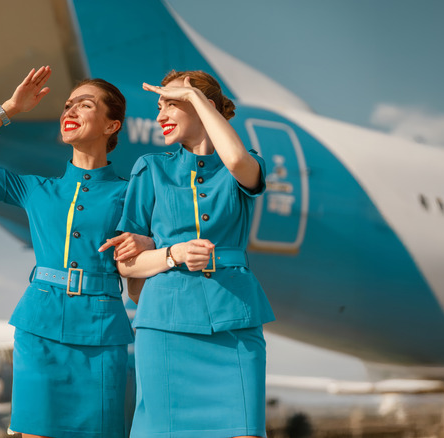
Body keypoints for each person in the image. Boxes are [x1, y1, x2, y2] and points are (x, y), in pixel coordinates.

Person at [0, 66, 152, 438]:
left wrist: (149, 246)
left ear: (112, 126)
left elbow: (139, 271)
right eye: (67, 105)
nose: (69, 111)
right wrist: (9, 108)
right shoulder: (36, 189)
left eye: (84, 105)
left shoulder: (132, 193)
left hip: (102, 333)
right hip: (38, 328)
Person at [101, 70, 275, 438]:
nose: (160, 116)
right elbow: (126, 262)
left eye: (171, 104)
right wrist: (173, 253)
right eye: (158, 106)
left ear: (204, 107)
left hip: (235, 325)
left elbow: (237, 161)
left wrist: (194, 96)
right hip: (164, 327)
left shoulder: (244, 164)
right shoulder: (150, 168)